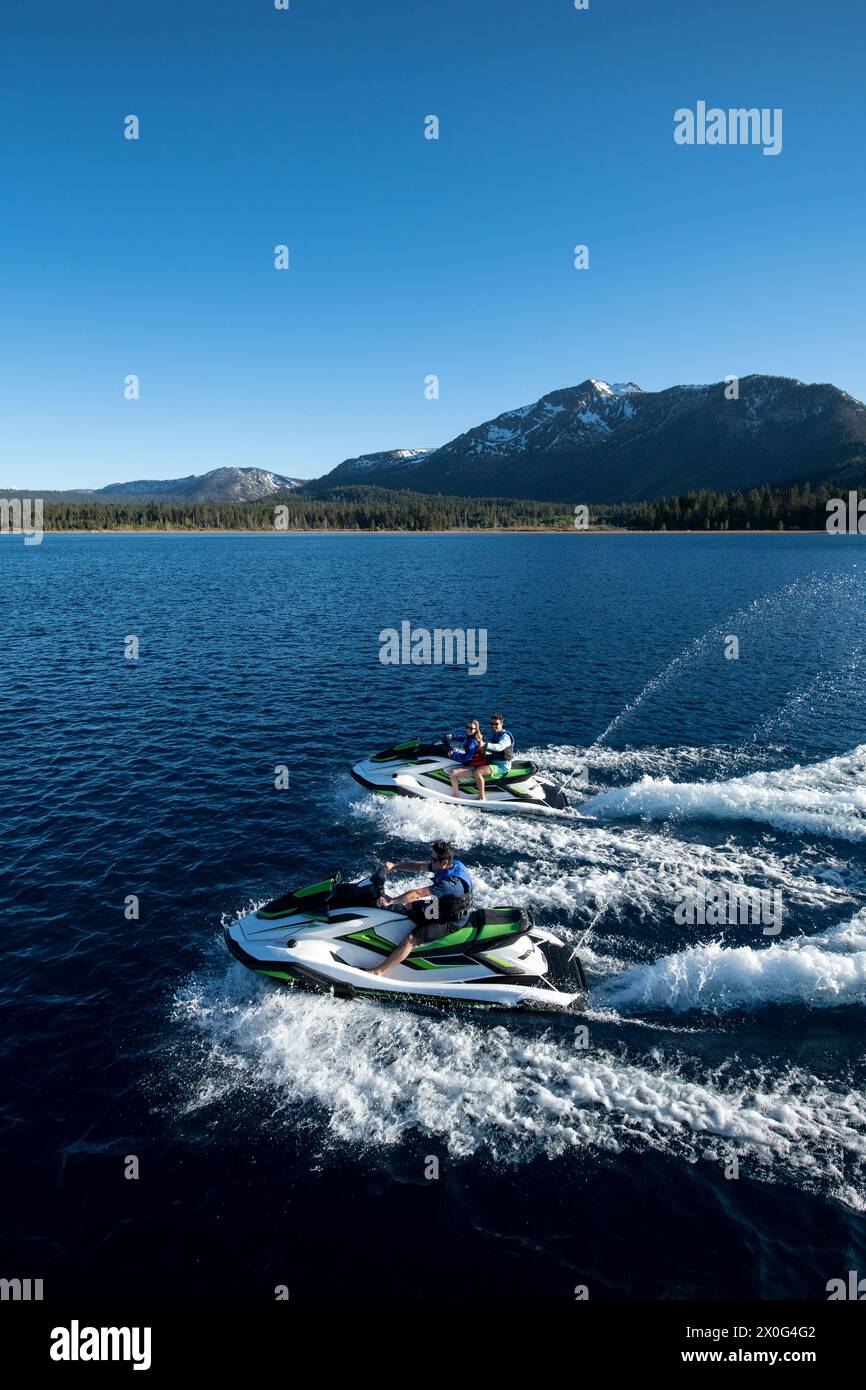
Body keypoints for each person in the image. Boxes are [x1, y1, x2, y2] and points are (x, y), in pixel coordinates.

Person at [366, 840, 473, 977]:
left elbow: (418, 893)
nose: (431, 862)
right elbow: (419, 866)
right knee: (410, 905)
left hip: (450, 921)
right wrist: (395, 866)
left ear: (444, 862)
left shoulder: (449, 884)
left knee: (411, 939)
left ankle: (379, 971)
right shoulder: (454, 864)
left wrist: (391, 901)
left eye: (434, 860)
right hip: (443, 907)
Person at [472, 713, 514, 799]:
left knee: (478, 772)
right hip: (494, 761)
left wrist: (485, 744)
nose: (494, 726)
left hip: (502, 766)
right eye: (492, 724)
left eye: (496, 724)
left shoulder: (505, 737)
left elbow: (499, 747)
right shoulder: (496, 734)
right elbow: (489, 747)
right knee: (473, 761)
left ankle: (482, 797)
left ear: (501, 724)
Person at [447, 718, 487, 800]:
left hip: (476, 767)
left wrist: (454, 754)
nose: (468, 730)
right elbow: (464, 738)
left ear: (476, 730)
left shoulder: (472, 742)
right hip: (475, 764)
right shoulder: (473, 737)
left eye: (471, 728)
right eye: (467, 727)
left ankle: (456, 795)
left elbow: (466, 758)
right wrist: (452, 737)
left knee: (452, 772)